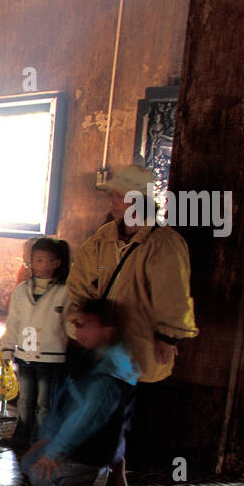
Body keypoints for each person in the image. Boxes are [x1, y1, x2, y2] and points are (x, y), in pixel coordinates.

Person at [66, 165, 197, 465]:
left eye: (119, 196)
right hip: (107, 342)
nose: (112, 201)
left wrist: (168, 336)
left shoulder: (164, 244)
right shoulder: (104, 238)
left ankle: (130, 465)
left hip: (143, 341)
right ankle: (103, 461)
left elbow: (173, 295)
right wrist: (89, 318)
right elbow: (80, 282)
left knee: (137, 404)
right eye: (112, 195)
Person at [21, 299, 137, 486]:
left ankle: (101, 475)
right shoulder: (89, 356)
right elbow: (62, 402)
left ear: (108, 331)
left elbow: (85, 418)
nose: (77, 331)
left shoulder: (110, 373)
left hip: (93, 451)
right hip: (76, 445)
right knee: (27, 462)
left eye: (84, 325)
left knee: (40, 478)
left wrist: (54, 452)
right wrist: (47, 438)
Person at [0, 238, 71, 450]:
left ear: (55, 263)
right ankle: (21, 436)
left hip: (52, 357)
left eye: (40, 260)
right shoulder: (22, 290)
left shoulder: (65, 292)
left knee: (44, 403)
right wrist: (7, 347)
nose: (34, 265)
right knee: (24, 399)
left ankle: (41, 440)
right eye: (34, 260)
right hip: (26, 355)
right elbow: (14, 322)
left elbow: (69, 323)